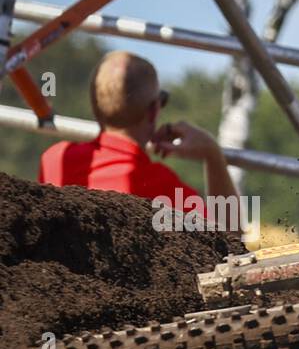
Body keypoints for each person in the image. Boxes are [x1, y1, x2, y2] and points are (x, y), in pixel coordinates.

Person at [38, 50, 238, 226]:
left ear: (95, 107)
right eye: (162, 100)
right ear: (152, 111)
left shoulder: (54, 159)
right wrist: (213, 155)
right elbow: (229, 243)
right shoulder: (165, 188)